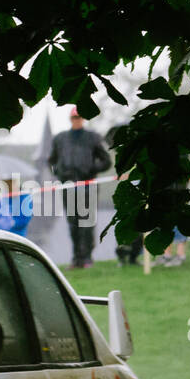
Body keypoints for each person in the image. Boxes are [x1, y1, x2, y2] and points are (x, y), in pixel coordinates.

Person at [48, 108, 112, 268]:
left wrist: (91, 168)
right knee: (73, 223)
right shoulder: (60, 139)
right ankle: (76, 258)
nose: (76, 120)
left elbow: (106, 161)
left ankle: (87, 257)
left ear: (83, 119)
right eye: (74, 117)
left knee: (87, 222)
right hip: (68, 186)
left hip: (87, 185)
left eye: (78, 117)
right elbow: (51, 161)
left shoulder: (93, 138)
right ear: (70, 119)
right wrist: (59, 173)